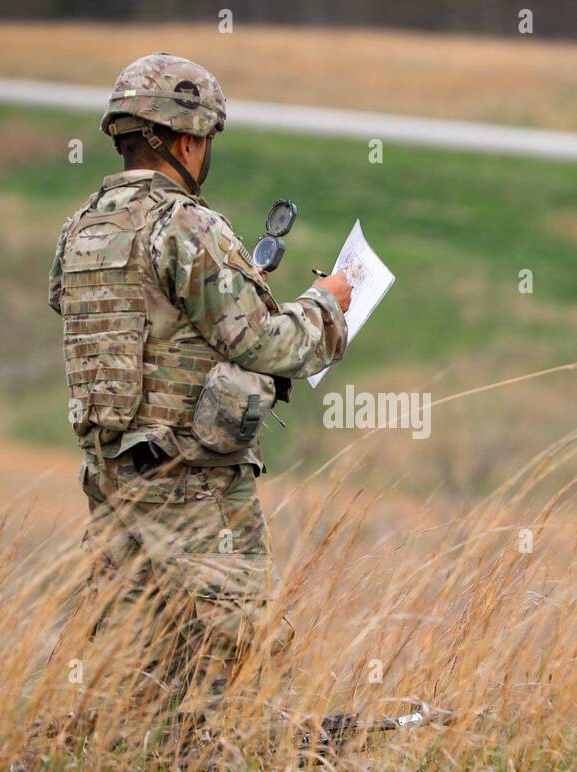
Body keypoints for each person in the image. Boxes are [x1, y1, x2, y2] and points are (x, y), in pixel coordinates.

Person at [47, 52, 352, 730]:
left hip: (114, 482)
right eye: (206, 139)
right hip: (193, 486)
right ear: (187, 140)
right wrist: (327, 306)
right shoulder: (185, 226)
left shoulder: (80, 229)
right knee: (240, 659)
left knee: (128, 664)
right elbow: (266, 342)